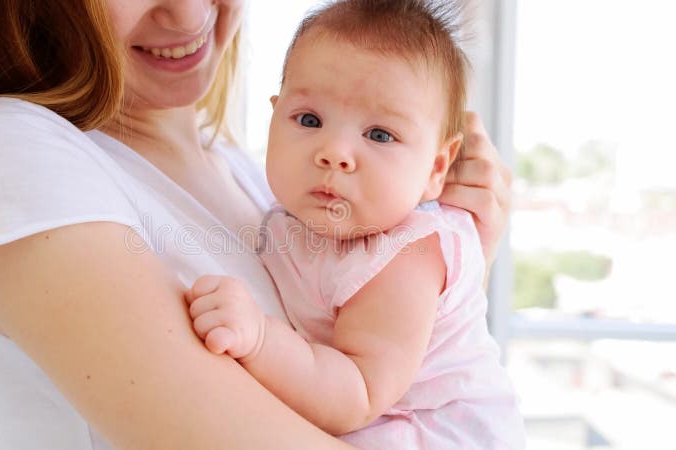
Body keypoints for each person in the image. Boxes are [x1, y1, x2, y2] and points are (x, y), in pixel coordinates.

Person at [0, 0, 512, 449]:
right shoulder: (8, 151)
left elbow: (377, 361)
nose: (186, 14)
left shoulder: (252, 177)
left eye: (380, 134)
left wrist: (437, 276)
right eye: (311, 119)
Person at [185, 1, 524, 448]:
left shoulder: (406, 257)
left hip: (430, 431)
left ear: (436, 168)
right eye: (309, 120)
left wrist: (262, 337)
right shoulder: (291, 218)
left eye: (380, 135)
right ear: (274, 116)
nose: (335, 152)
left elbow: (357, 394)